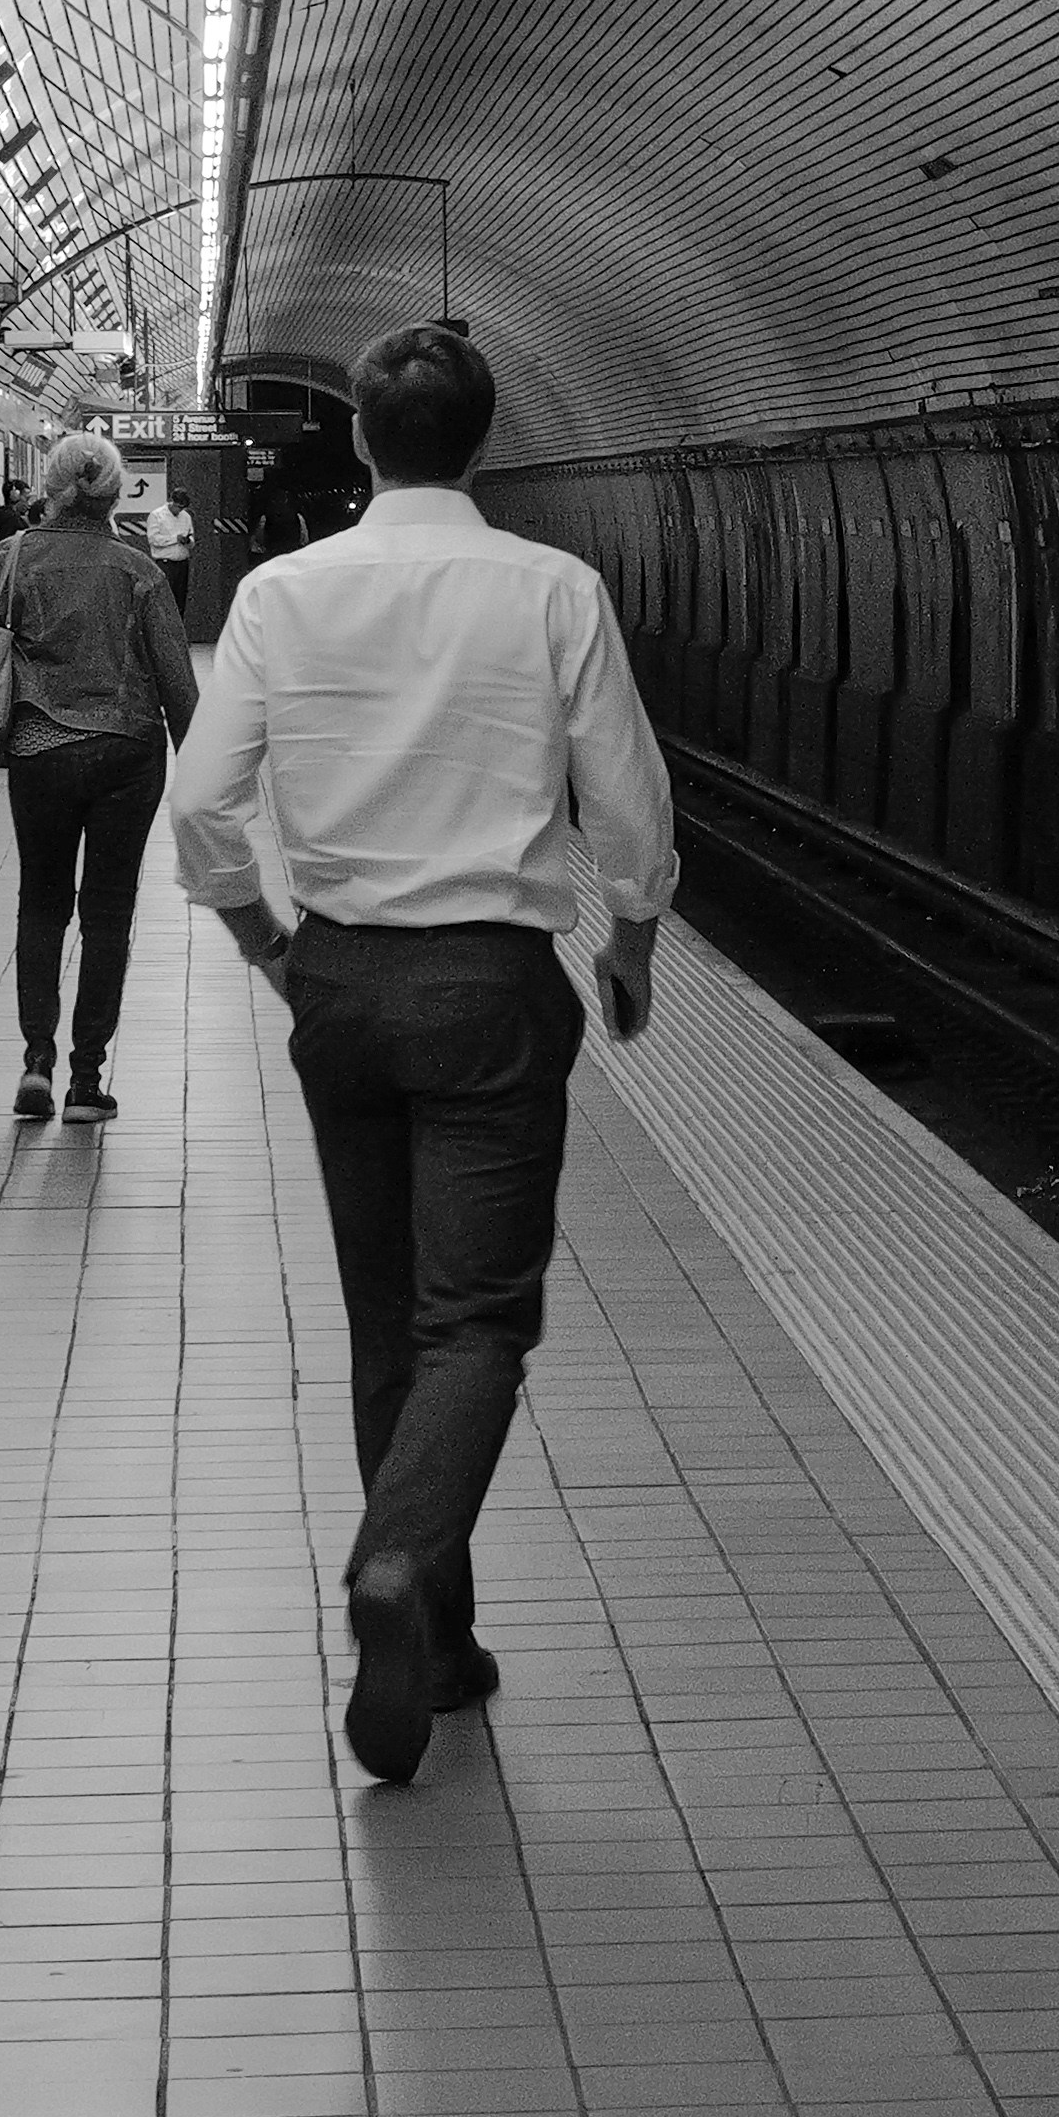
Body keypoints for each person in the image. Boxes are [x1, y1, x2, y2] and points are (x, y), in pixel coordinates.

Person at [165, 320, 679, 1786]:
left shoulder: (285, 590)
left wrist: (268, 938)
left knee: (387, 1319)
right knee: (481, 1321)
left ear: (365, 444)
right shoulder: (553, 587)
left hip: (342, 977)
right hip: (492, 980)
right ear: (485, 437)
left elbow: (204, 801)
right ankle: (398, 1566)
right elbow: (625, 800)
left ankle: (440, 1642)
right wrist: (631, 936)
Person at [0, 430, 204, 1123]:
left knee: (41, 902)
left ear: (55, 483)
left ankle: (35, 1060)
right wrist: (206, 778)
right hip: (128, 752)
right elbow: (179, 684)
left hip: (40, 749)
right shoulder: (138, 570)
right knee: (108, 914)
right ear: (114, 490)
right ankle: (86, 1083)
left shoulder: (10, 558)